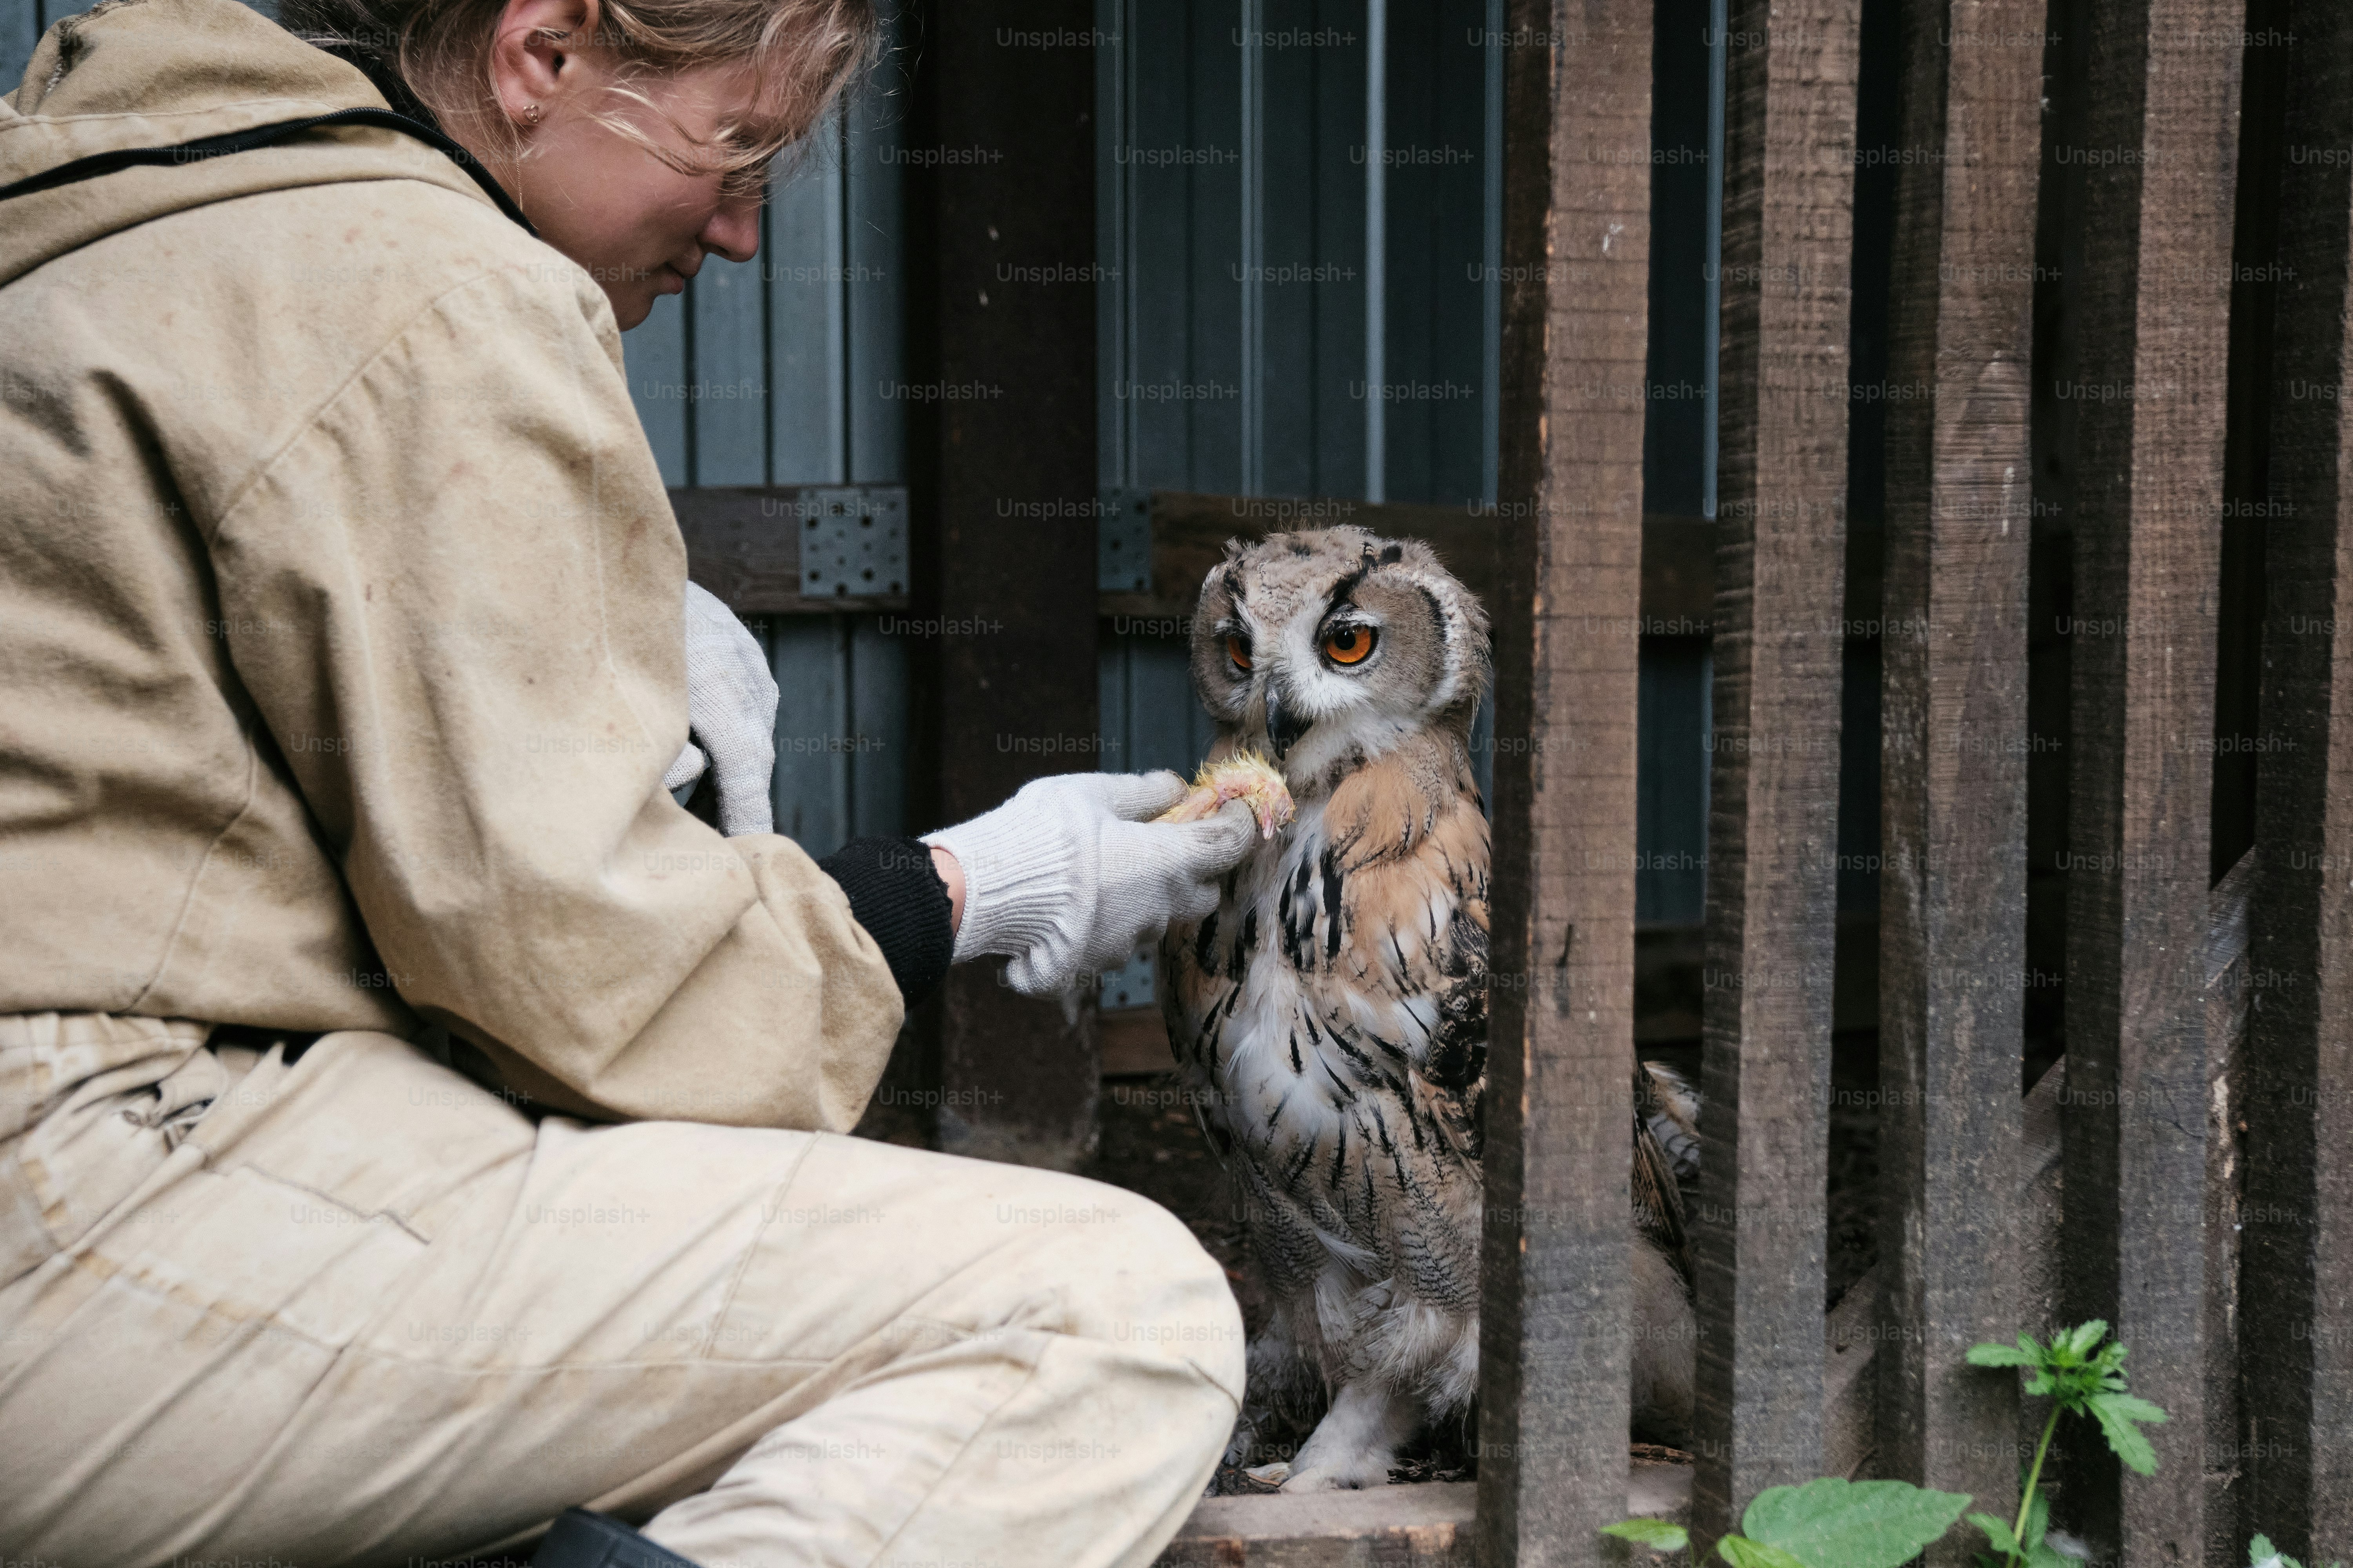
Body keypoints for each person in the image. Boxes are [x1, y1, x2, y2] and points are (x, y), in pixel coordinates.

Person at [0, 0, 1258, 1562]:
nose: (738, 234)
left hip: (111, 1147)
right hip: (86, 1191)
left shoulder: (137, 215)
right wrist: (979, 886)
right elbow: (581, 969)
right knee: (1104, 1314)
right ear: (542, 54)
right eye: (733, 148)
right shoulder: (437, 291)